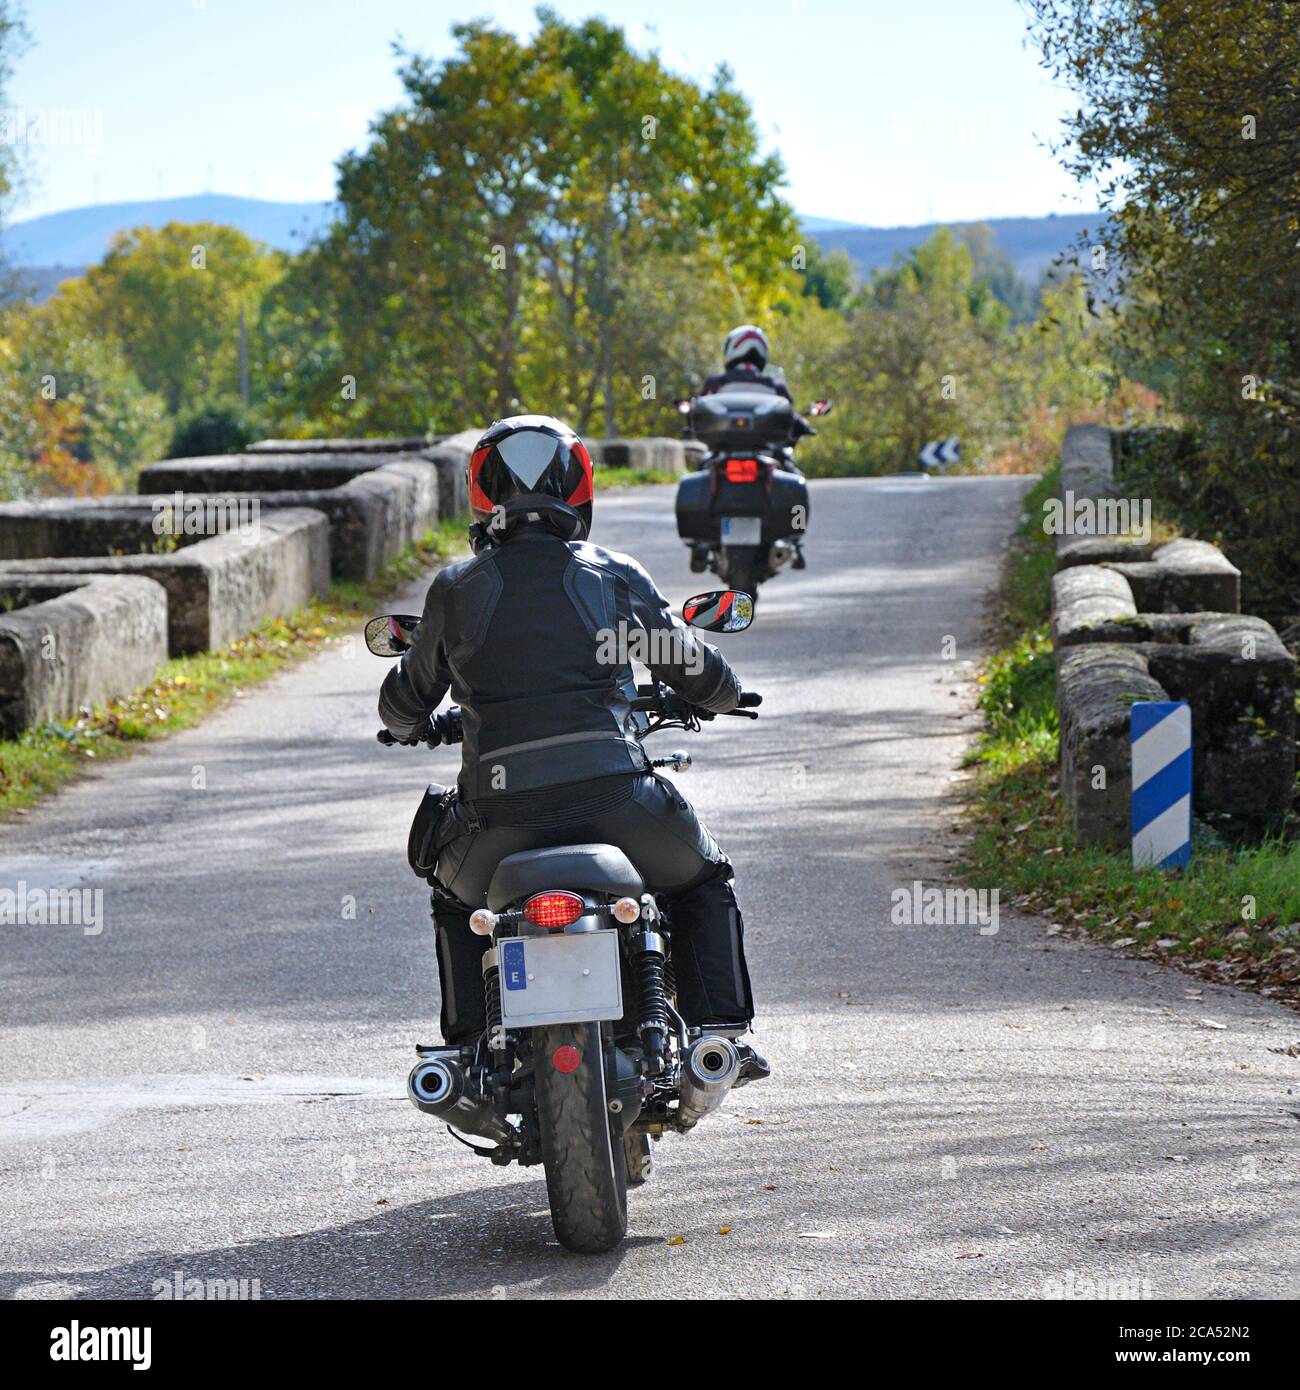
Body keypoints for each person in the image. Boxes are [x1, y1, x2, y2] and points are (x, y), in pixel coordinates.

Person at [378, 414, 767, 1080]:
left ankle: (466, 1052)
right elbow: (697, 672)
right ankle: (719, 1035)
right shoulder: (612, 576)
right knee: (702, 880)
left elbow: (405, 700)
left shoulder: (456, 589)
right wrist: (724, 697)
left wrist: (412, 724)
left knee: (453, 898)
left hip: (497, 821)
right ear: (579, 487)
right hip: (618, 801)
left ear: (481, 493)